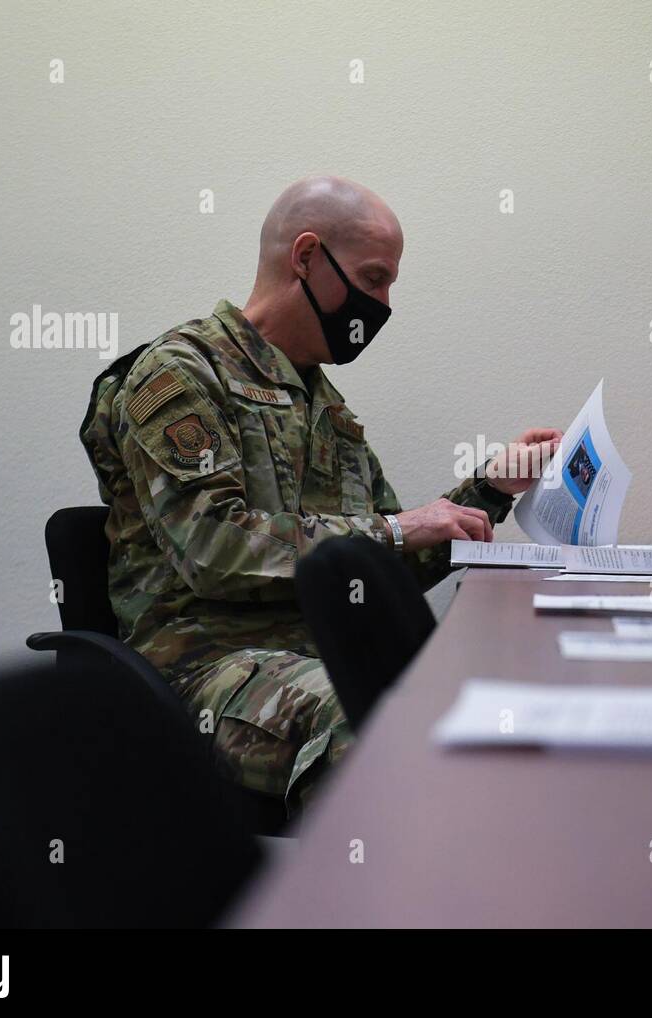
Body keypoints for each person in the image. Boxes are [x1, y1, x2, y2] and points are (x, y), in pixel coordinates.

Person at [81, 175, 560, 816]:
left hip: (318, 651)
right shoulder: (181, 375)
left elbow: (381, 567)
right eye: (371, 279)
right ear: (306, 258)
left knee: (488, 699)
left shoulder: (322, 405)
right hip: (203, 669)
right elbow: (213, 548)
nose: (384, 304)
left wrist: (489, 491)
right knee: (384, 722)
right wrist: (396, 531)